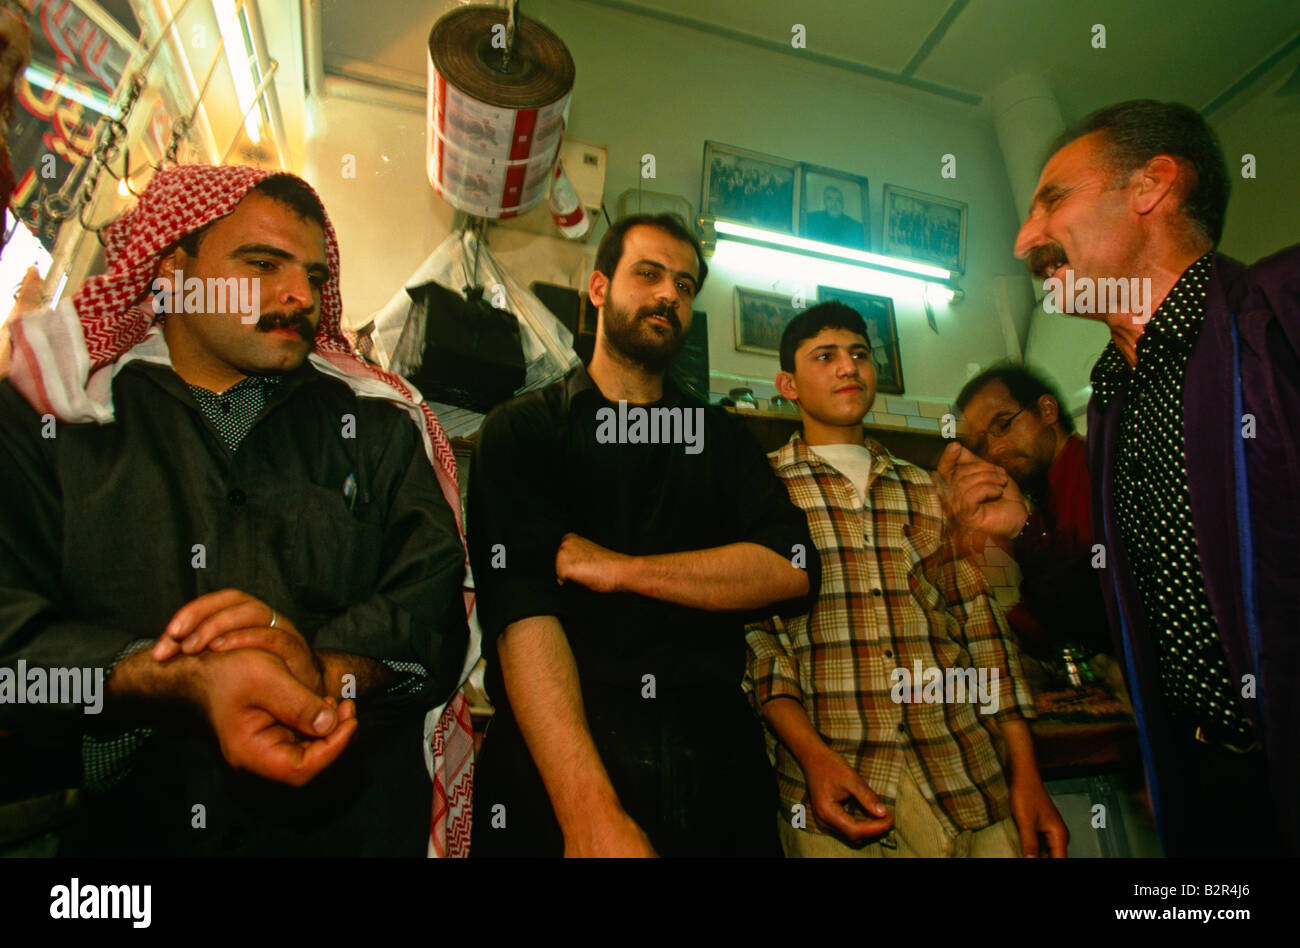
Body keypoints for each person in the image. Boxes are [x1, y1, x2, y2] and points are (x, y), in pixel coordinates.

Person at [0, 164, 474, 856]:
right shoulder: (61, 423)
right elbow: (11, 636)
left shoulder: (376, 427)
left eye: (313, 277)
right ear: (172, 273)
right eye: (262, 265)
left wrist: (322, 670)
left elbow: (433, 608)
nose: (297, 296)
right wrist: (172, 679)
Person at [468, 213, 819, 857]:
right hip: (559, 769)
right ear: (598, 288)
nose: (668, 296)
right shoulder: (522, 433)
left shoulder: (723, 441)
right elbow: (521, 616)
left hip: (717, 776)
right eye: (649, 274)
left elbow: (792, 567)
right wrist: (589, 816)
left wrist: (623, 569)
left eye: (685, 286)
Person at [1013, 99, 1300, 856]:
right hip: (1215, 792)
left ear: (1151, 186)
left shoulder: (1279, 313)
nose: (1025, 239)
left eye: (1052, 200)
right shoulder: (1113, 399)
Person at [746, 302, 1066, 858]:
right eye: (826, 356)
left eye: (859, 354)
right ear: (788, 384)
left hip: (969, 778)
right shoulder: (760, 489)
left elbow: (981, 627)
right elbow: (759, 642)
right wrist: (813, 759)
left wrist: (1027, 773)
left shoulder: (929, 491)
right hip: (839, 788)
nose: (849, 367)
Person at [953, 363, 1109, 660]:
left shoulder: (1102, 471)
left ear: (1047, 410)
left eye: (1002, 425)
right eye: (981, 443)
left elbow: (1098, 598)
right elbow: (1050, 615)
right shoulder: (1041, 500)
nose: (995, 449)